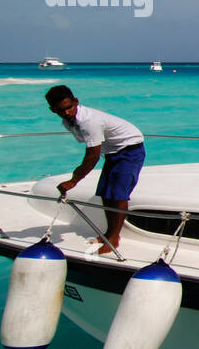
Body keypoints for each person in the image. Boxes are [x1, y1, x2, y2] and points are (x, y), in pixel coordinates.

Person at [46, 85, 145, 254]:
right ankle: (109, 232)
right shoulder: (68, 121)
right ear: (52, 110)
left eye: (69, 107)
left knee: (118, 194)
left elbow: (92, 156)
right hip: (113, 152)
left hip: (130, 149)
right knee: (106, 194)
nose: (66, 113)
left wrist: (73, 180)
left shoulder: (87, 121)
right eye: (60, 110)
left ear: (76, 102)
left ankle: (114, 238)